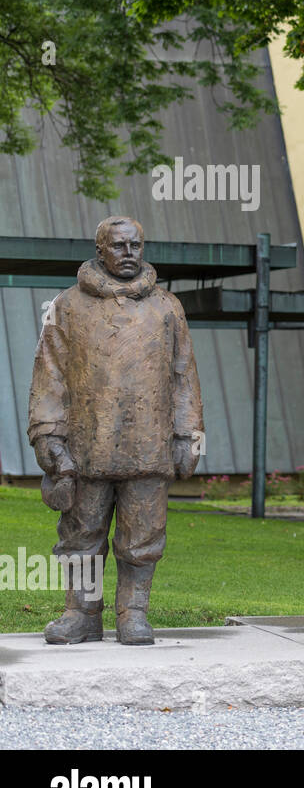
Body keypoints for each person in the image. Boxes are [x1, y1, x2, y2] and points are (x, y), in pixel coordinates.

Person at [29, 216, 203, 646]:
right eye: (119, 245)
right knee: (81, 535)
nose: (129, 253)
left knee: (142, 536)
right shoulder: (67, 307)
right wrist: (49, 435)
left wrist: (189, 434)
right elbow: (49, 376)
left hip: (149, 446)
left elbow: (184, 376)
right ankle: (82, 612)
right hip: (86, 447)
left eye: (136, 245)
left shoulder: (167, 308)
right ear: (100, 249)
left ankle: (134, 613)